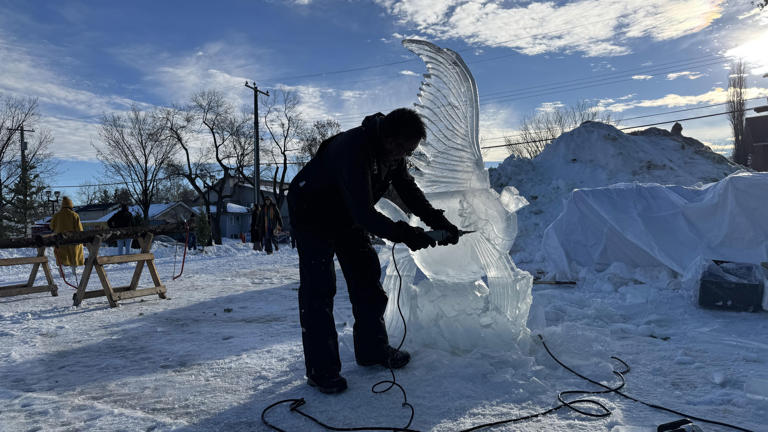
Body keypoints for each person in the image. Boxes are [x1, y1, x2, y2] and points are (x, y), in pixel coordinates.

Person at [288, 108, 459, 394]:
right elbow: (365, 215)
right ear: (389, 138)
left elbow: (409, 192)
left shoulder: (393, 154)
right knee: (319, 289)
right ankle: (321, 371)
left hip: (346, 213)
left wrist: (439, 222)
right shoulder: (352, 150)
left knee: (366, 275)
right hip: (312, 212)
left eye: (410, 151)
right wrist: (406, 234)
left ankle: (372, 350)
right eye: (404, 149)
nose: (405, 156)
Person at [49, 196, 85, 279]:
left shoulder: (56, 215)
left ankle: (61, 271)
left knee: (61, 255)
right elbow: (79, 228)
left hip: (60, 239)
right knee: (74, 254)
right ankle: (74, 269)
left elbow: (51, 226)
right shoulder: (74, 215)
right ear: (71, 205)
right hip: (72, 239)